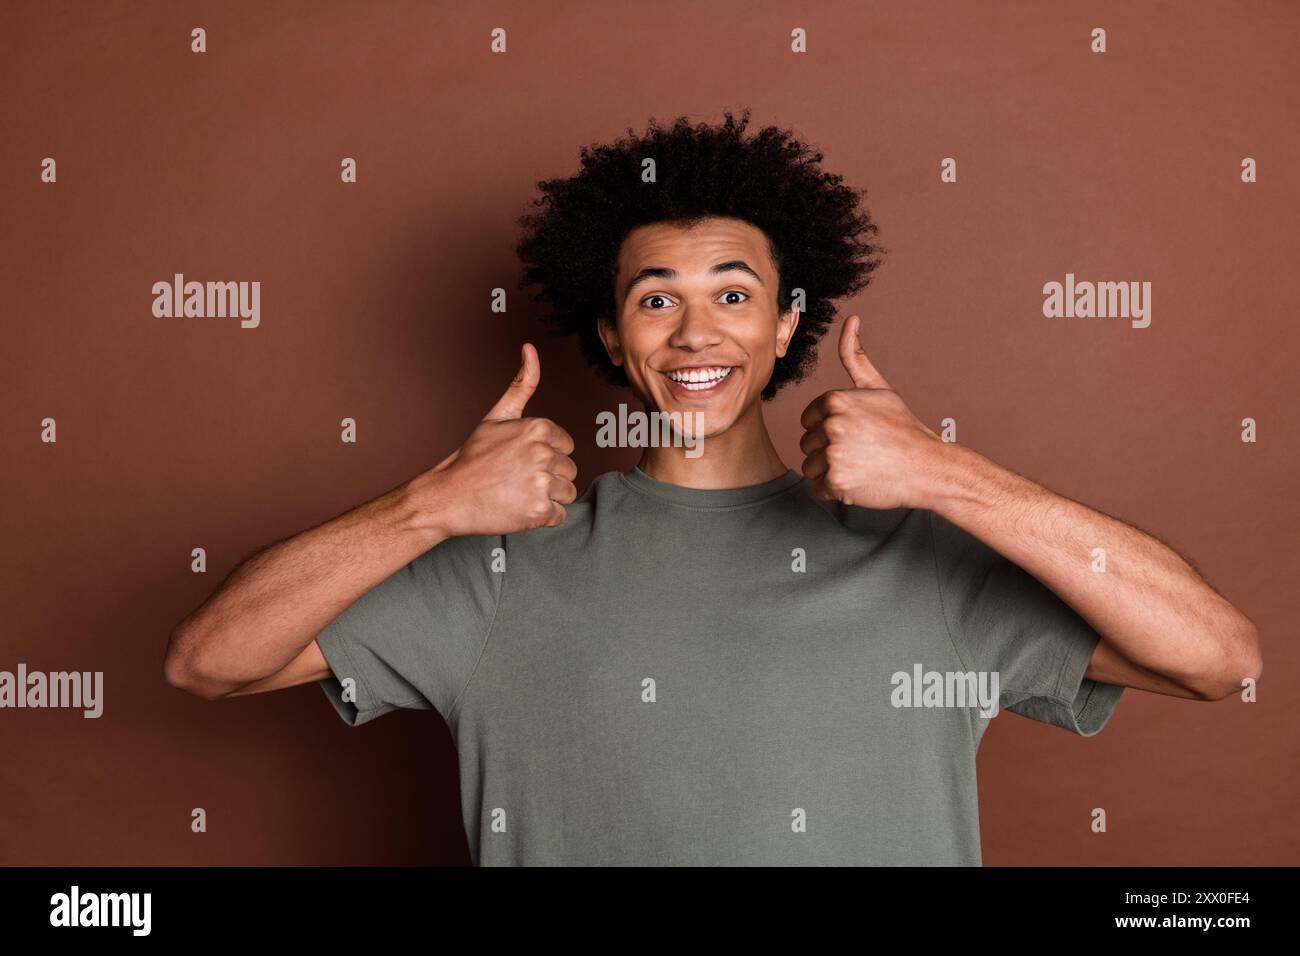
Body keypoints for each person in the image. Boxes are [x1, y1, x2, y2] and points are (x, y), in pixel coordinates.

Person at [164, 110, 1262, 866]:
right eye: (655, 299)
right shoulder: (500, 570)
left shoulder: (919, 561)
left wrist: (951, 475)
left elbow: (1218, 658)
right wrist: (430, 505)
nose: (697, 330)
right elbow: (209, 660)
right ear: (610, 330)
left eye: (734, 293)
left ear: (787, 324)